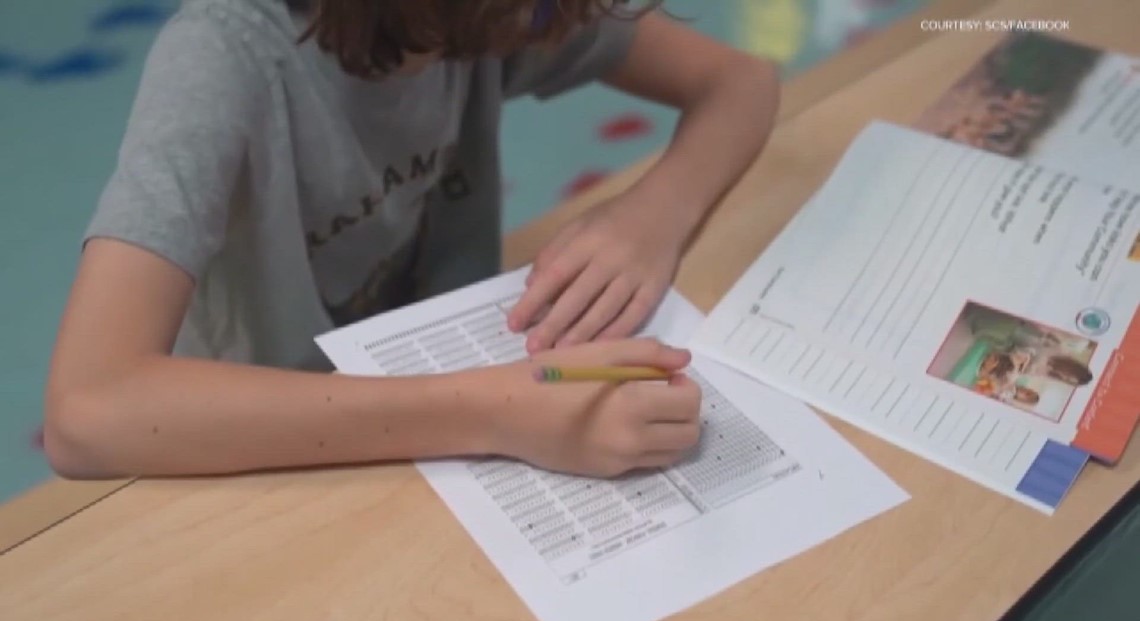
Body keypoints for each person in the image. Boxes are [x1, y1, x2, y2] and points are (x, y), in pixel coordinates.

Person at [42, 0, 779, 480]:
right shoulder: (223, 58)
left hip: (447, 403)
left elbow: (742, 81)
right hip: (272, 449)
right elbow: (87, 408)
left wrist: (655, 214)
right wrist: (490, 411)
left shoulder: (487, 20)